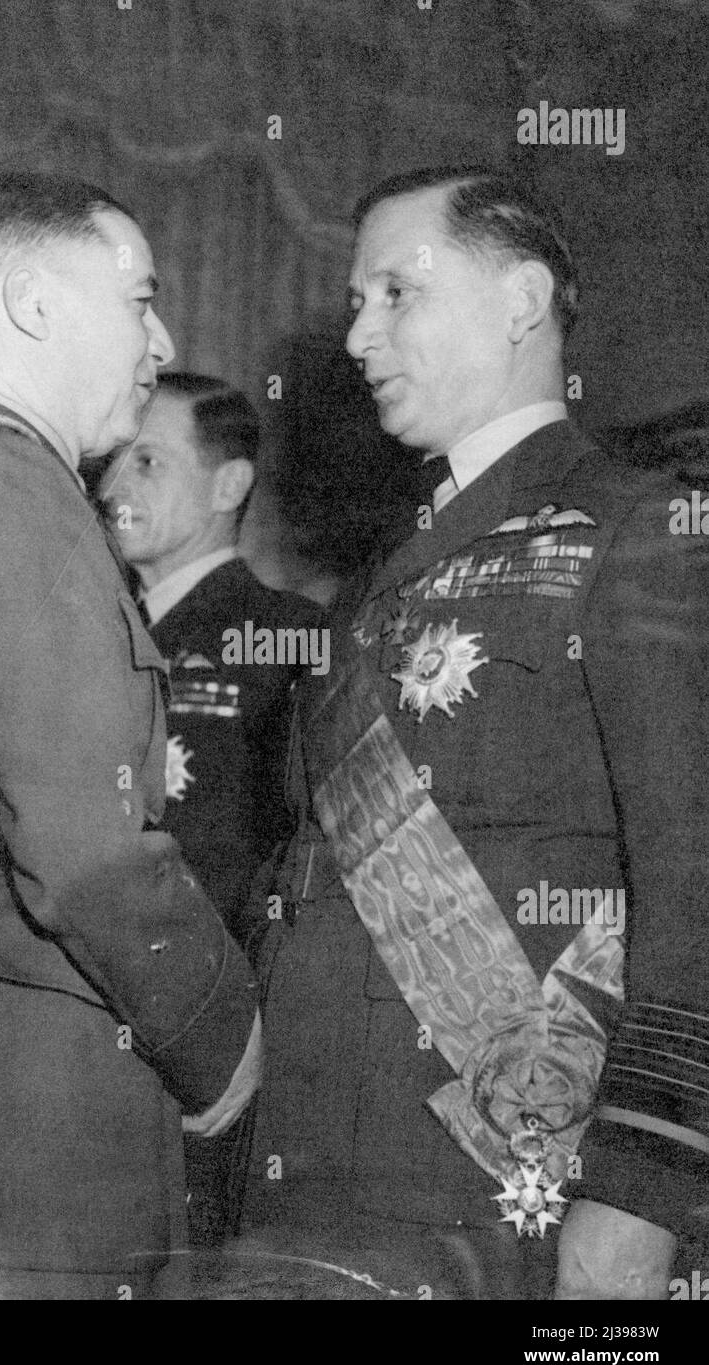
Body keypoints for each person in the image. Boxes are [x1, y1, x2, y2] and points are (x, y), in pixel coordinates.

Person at [239, 165, 709, 1300]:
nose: (358, 336)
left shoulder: (641, 528)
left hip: (490, 1177)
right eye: (354, 302)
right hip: (312, 1159)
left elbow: (693, 877)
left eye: (395, 293)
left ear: (519, 301)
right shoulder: (384, 568)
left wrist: (641, 1186)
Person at [0, 172, 260, 1301]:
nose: (161, 338)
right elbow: (85, 847)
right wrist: (224, 1038)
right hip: (19, 1107)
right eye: (138, 298)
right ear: (33, 302)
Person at [99, 372, 319, 1247]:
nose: (115, 488)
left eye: (148, 462)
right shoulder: (91, 632)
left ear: (229, 486)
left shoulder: (288, 637)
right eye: (112, 462)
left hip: (215, 1048)